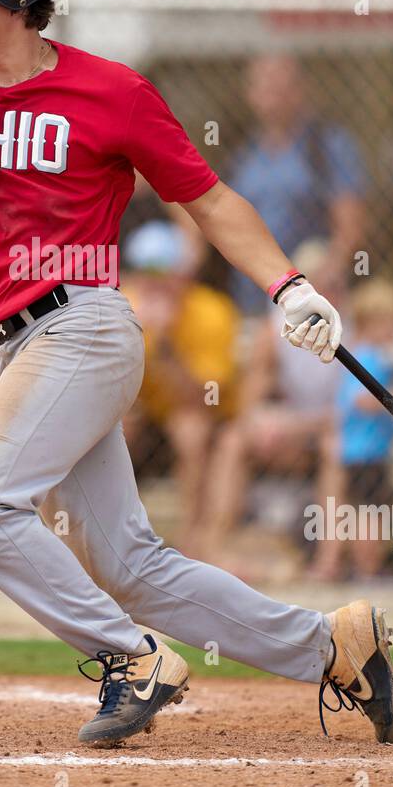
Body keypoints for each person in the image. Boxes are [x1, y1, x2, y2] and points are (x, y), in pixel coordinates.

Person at [0, 0, 393, 748]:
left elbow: (209, 200)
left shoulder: (108, 91)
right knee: (131, 567)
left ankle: (132, 659)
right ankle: (337, 646)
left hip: (82, 326)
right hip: (16, 350)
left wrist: (288, 286)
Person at [199, 239, 345, 574]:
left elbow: (344, 414)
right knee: (233, 440)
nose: (329, 291)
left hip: (323, 433)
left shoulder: (347, 329)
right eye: (319, 283)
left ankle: (327, 565)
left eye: (334, 284)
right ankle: (213, 550)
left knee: (334, 445)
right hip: (289, 434)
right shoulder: (274, 332)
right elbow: (248, 404)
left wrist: (294, 427)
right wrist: (263, 424)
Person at [121, 220, 239, 546]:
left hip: (200, 414)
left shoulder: (211, 311)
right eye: (146, 274)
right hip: (142, 414)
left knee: (190, 429)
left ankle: (193, 539)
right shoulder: (123, 304)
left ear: (183, 275)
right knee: (110, 425)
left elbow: (205, 399)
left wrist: (166, 347)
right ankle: (110, 535)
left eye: (163, 276)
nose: (153, 285)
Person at [227, 55, 366, 315]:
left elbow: (350, 223)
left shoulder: (327, 146)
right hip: (252, 297)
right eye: (265, 86)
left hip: (306, 295)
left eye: (282, 85)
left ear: (300, 90)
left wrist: (329, 272)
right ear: (250, 94)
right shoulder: (244, 155)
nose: (274, 94)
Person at [315, 279, 393, 583]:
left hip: (361, 451)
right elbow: (359, 399)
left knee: (365, 511)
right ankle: (367, 570)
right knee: (370, 514)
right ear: (375, 322)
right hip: (365, 452)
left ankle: (363, 568)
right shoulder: (371, 358)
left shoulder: (364, 355)